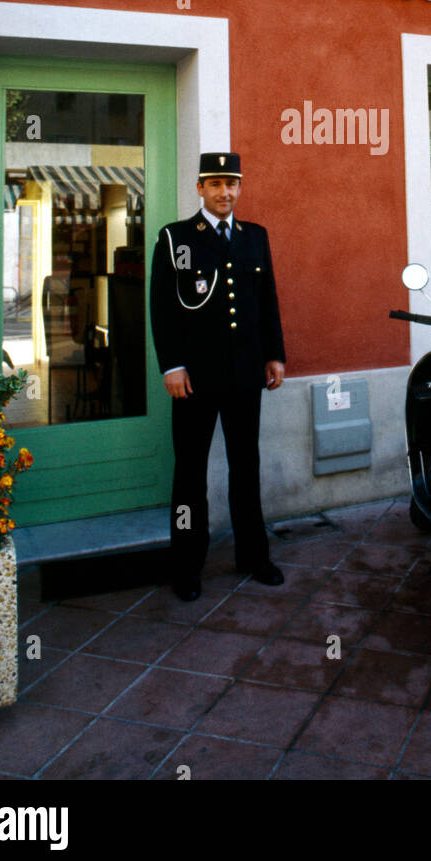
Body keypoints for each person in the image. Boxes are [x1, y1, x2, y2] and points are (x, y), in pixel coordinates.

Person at [149, 152, 286, 600]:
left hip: (246, 375)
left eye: (232, 184)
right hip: (194, 380)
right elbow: (163, 309)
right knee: (189, 473)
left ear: (240, 188)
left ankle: (253, 554)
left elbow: (267, 302)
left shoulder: (255, 238)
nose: (225, 192)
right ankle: (187, 565)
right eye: (215, 184)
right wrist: (171, 365)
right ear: (200, 188)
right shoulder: (177, 238)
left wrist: (275, 356)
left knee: (246, 466)